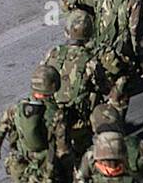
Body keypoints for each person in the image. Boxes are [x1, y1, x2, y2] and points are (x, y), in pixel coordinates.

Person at [42, 9, 110, 161]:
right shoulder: (90, 62)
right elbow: (105, 88)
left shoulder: (53, 53)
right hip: (78, 122)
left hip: (51, 117)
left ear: (67, 31)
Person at [93, 0, 143, 112]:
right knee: (121, 96)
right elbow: (136, 35)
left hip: (98, 50)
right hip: (120, 56)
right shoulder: (134, 2)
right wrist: (142, 62)